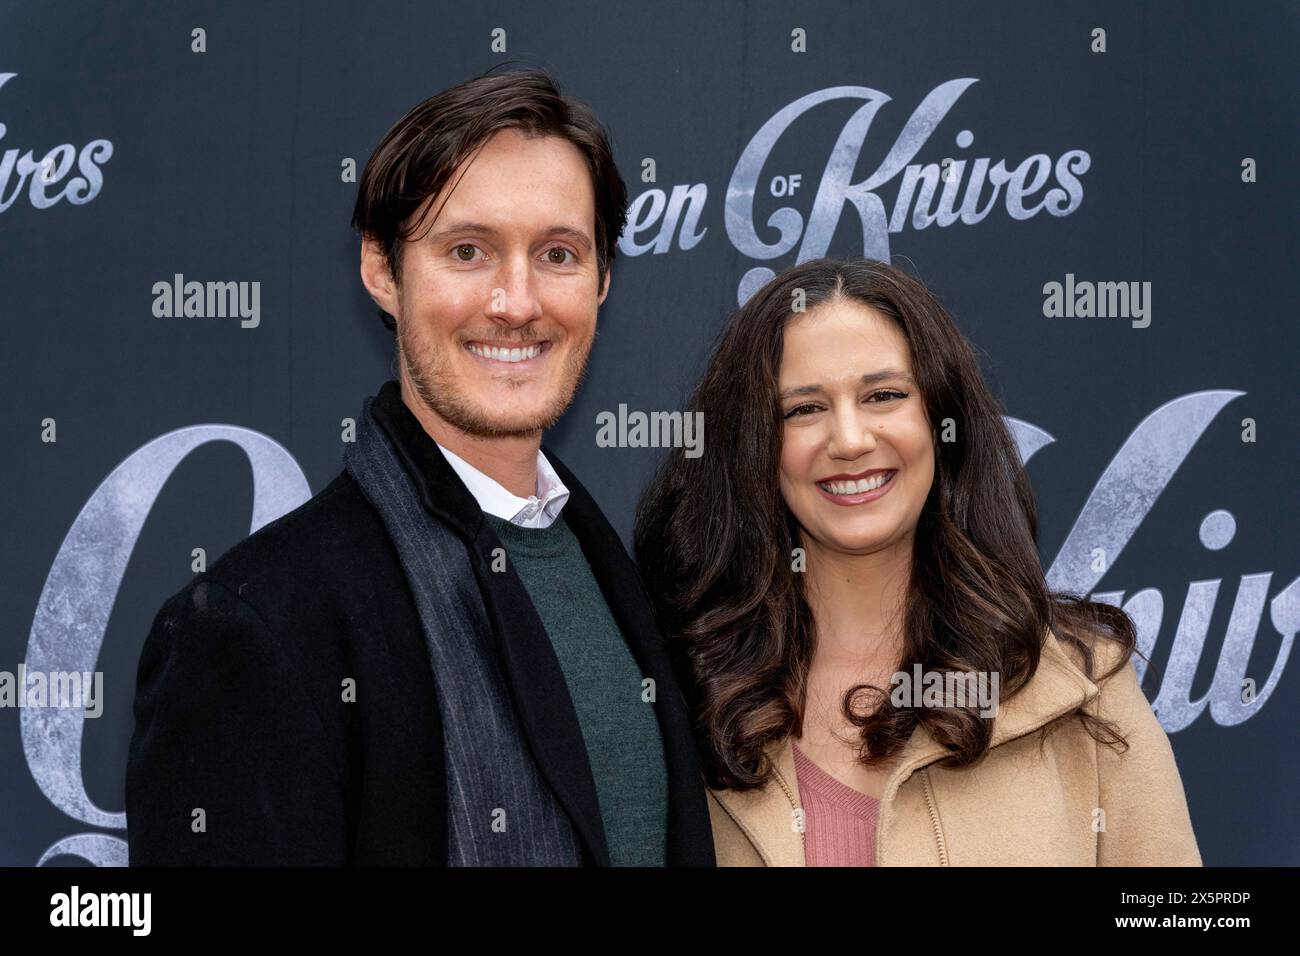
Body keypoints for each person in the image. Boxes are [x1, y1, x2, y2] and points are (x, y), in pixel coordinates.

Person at [126, 67, 715, 866]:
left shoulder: (623, 584)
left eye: (558, 254)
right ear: (381, 269)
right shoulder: (259, 623)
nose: (516, 301)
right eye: (468, 251)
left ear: (604, 279)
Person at [634, 256, 1201, 866]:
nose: (849, 439)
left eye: (884, 395)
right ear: (753, 446)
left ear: (940, 419)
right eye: (804, 408)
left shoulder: (1079, 683)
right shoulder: (676, 694)